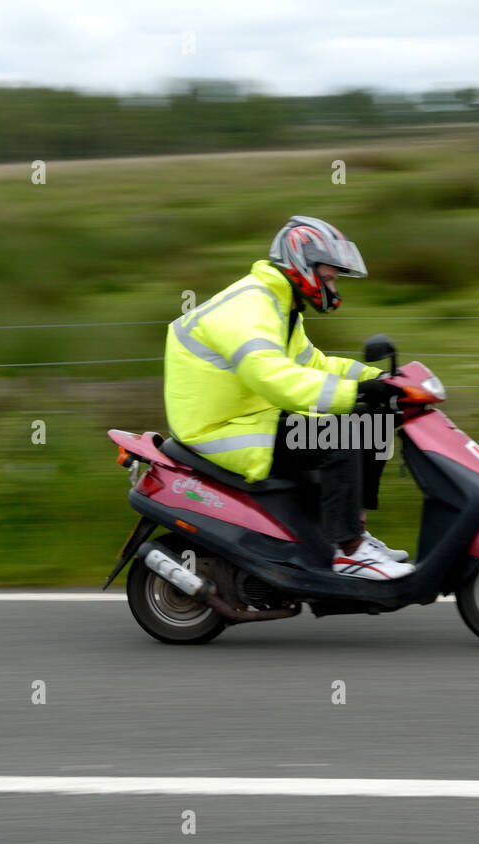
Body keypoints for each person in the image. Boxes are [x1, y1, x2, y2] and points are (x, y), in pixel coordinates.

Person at [164, 215, 414, 579]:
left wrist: (384, 380)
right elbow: (276, 379)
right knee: (342, 435)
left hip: (252, 416)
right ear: (302, 266)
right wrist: (355, 392)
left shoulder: (282, 308)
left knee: (372, 423)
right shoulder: (250, 306)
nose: (334, 289)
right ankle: (349, 554)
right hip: (218, 429)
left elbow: (314, 364)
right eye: (328, 278)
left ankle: (355, 536)